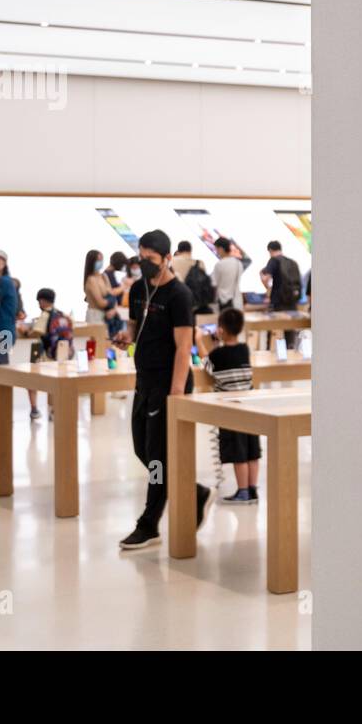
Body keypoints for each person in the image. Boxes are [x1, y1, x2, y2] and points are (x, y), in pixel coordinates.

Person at [113, 229, 214, 550]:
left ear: (167, 258)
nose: (144, 263)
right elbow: (134, 327)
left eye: (150, 259)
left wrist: (175, 394)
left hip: (169, 383)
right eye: (141, 257)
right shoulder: (140, 288)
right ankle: (194, 490)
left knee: (157, 457)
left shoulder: (179, 295)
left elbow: (184, 348)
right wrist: (127, 338)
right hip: (144, 379)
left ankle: (149, 523)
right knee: (141, 449)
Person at [205, 307, 260, 505]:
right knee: (252, 450)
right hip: (251, 407)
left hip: (233, 410)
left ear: (221, 330)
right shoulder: (244, 349)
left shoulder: (217, 355)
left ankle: (242, 492)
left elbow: (207, 365)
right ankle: (252, 489)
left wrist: (200, 342)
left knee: (239, 454)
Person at [22, 288, 71, 420]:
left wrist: (26, 331)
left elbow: (37, 332)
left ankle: (34, 409)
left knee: (31, 380)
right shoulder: (61, 314)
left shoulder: (45, 315)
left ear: (42, 301)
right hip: (59, 355)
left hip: (43, 353)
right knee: (55, 383)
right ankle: (54, 410)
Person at [261, 240, 302, 346]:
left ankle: (273, 353)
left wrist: (266, 285)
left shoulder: (273, 260)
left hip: (278, 301)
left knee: (274, 329)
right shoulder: (292, 262)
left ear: (270, 250)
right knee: (289, 329)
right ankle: (290, 351)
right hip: (292, 301)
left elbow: (266, 278)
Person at [83, 249, 128, 340]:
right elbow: (100, 302)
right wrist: (111, 301)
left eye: (101, 260)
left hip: (107, 317)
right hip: (95, 317)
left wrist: (114, 309)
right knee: (97, 346)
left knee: (108, 346)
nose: (100, 262)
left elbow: (112, 295)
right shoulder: (90, 280)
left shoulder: (103, 277)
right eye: (98, 260)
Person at [210, 237, 244, 311]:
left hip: (223, 302)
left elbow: (214, 284)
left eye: (216, 249)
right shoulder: (238, 263)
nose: (216, 252)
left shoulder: (220, 264)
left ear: (221, 249)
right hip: (237, 302)